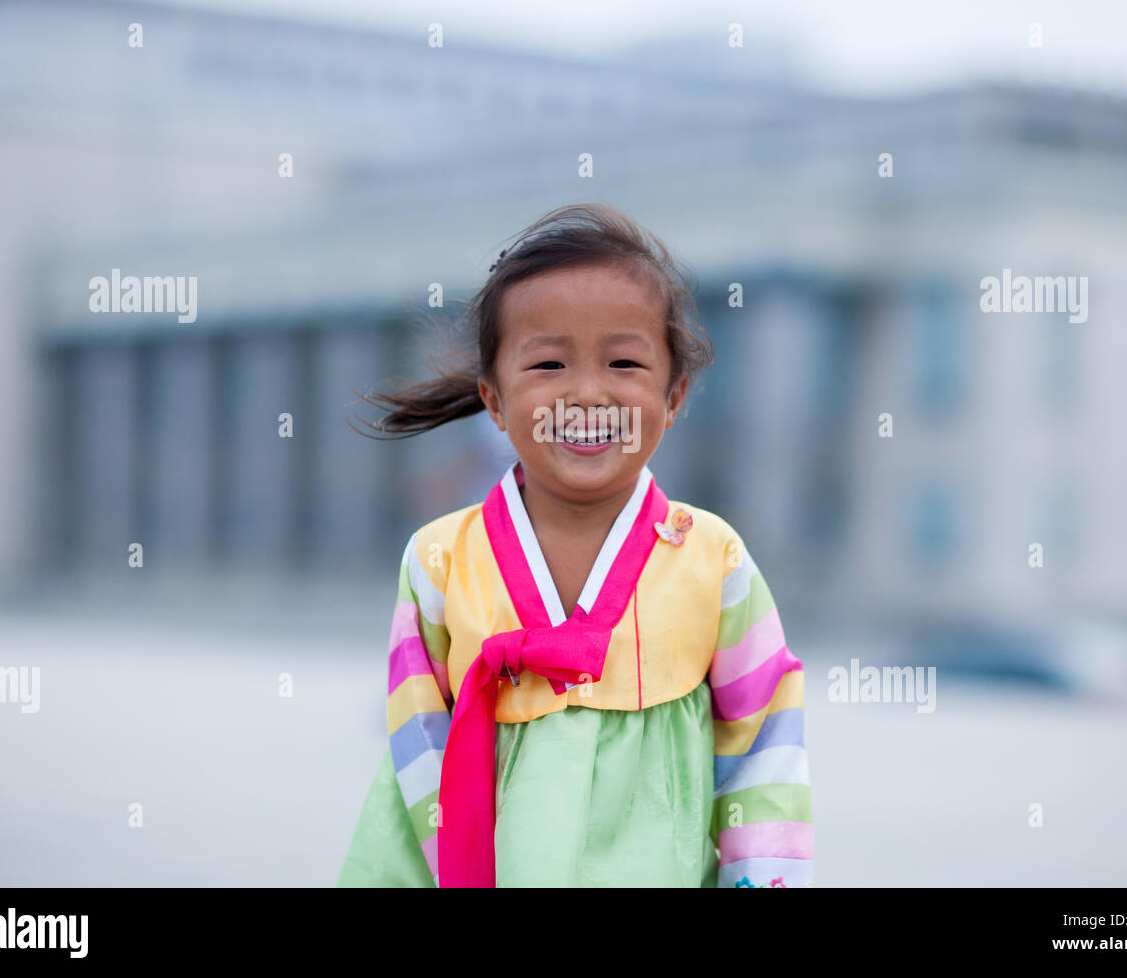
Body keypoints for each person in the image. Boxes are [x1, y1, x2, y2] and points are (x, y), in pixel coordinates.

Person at [336, 203, 813, 888]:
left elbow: (764, 750)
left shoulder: (715, 561)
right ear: (494, 401)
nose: (587, 394)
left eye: (623, 362)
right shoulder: (439, 562)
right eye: (550, 363)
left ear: (674, 395)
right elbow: (416, 754)